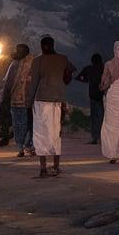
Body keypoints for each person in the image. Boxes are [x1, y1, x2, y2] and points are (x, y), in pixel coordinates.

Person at [28, 35, 75, 177]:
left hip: (41, 100)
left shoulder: (37, 60)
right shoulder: (63, 59)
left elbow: (33, 83)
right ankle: (56, 167)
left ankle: (43, 168)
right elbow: (68, 78)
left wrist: (28, 102)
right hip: (57, 100)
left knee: (41, 134)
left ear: (42, 46)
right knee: (56, 133)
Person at [77, 53, 106, 146]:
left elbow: (79, 77)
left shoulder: (89, 68)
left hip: (93, 95)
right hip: (103, 95)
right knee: (103, 117)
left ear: (92, 61)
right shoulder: (104, 68)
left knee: (94, 118)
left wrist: (86, 79)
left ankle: (95, 137)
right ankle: (103, 137)